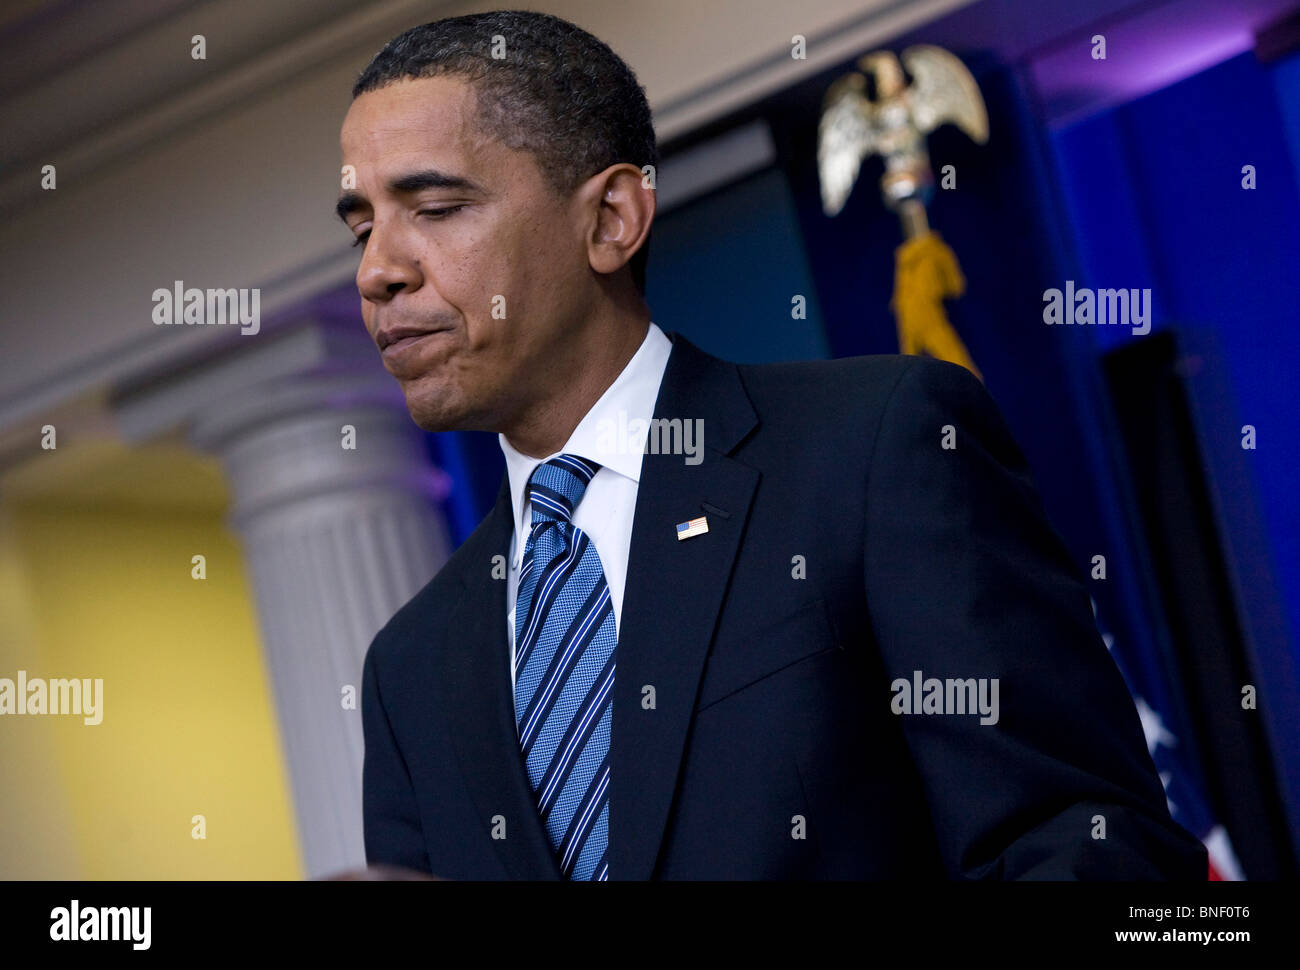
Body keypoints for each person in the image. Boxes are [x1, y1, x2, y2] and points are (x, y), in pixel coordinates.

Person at [339, 10, 1207, 880]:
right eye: (360, 228)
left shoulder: (873, 451)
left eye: (437, 208)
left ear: (610, 220)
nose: (377, 269)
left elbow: (1086, 845)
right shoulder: (409, 669)